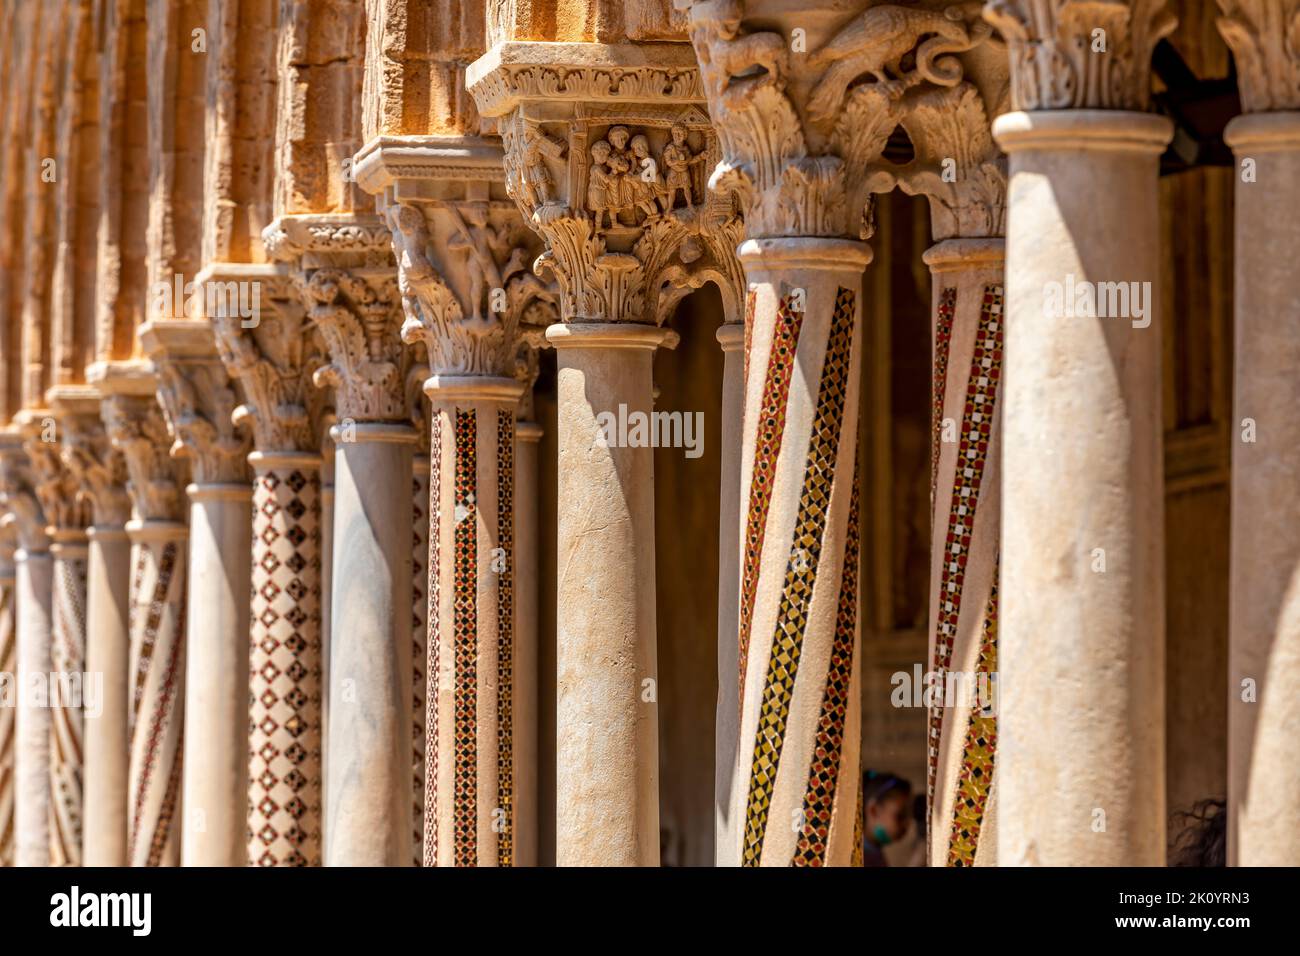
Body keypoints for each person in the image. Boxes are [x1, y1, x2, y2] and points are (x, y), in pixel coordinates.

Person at [860, 770, 913, 866]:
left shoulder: (875, 855)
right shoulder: (852, 856)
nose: (907, 824)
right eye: (900, 816)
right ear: (873, 810)